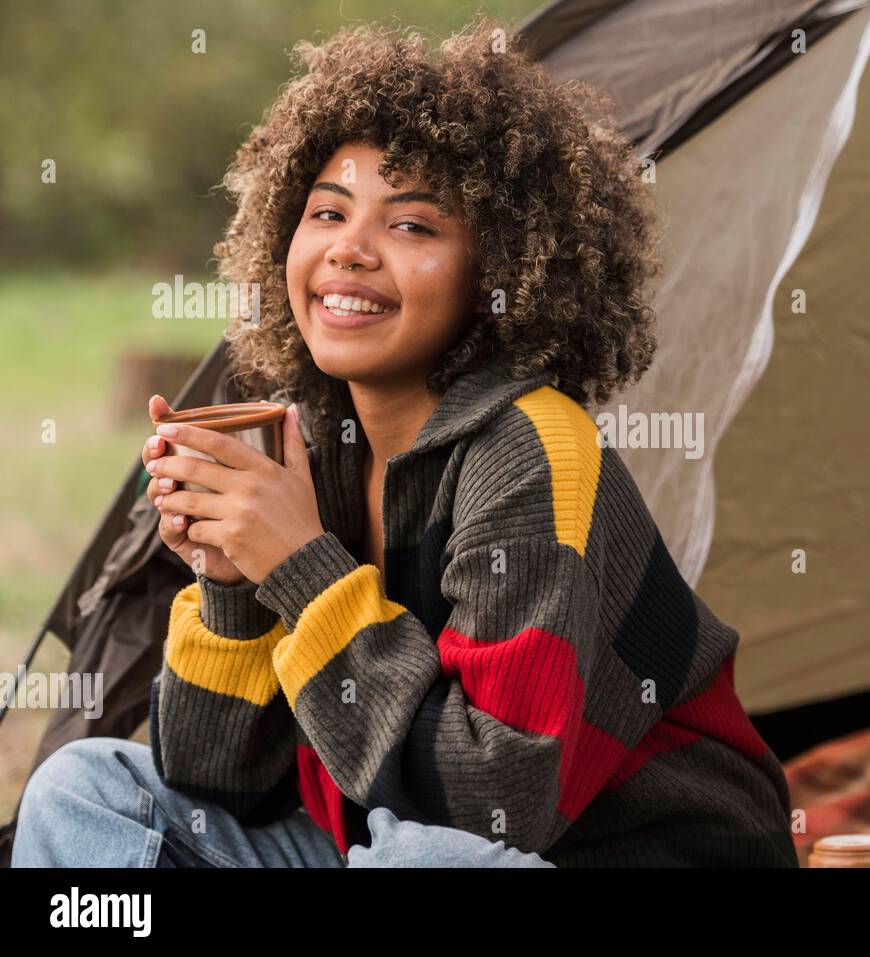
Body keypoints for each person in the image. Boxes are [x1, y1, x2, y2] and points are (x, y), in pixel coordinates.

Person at [12, 14, 797, 868]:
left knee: (417, 861)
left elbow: (493, 804)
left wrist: (300, 562)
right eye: (326, 212)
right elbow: (217, 785)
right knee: (82, 790)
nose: (350, 249)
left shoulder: (535, 451)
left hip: (621, 853)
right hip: (378, 839)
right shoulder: (315, 440)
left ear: (499, 270)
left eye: (412, 225)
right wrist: (236, 579)